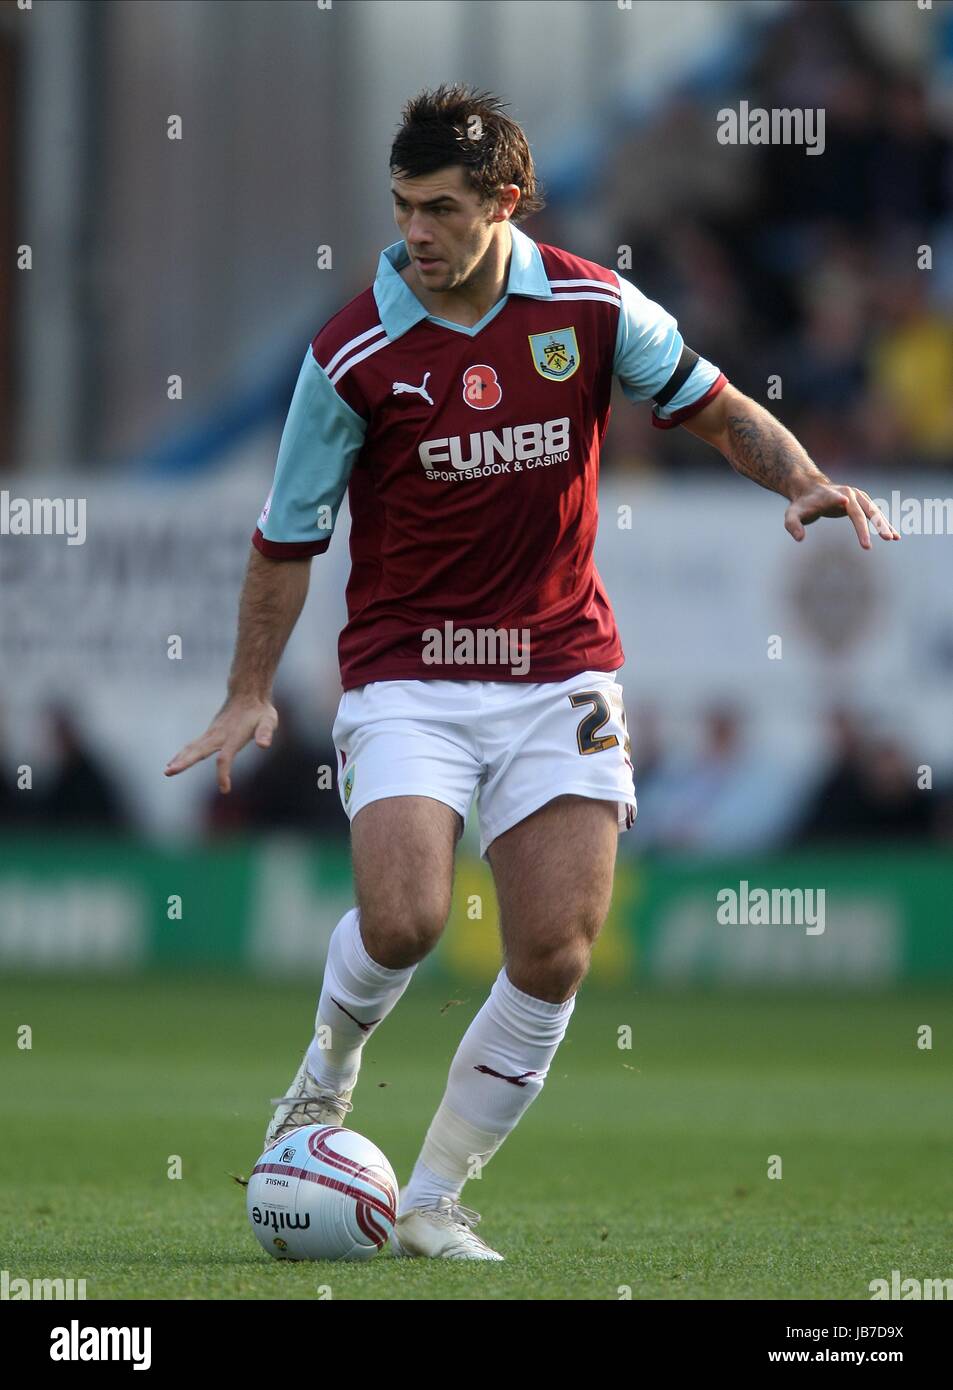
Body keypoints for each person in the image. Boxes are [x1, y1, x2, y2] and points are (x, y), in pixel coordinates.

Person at [164, 84, 898, 1261]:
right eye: (403, 207)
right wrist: (252, 687)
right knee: (401, 921)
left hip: (556, 669)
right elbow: (284, 538)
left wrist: (801, 477)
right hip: (409, 671)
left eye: (443, 209)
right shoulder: (350, 349)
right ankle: (322, 1076)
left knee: (553, 948)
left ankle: (431, 1198)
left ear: (503, 201)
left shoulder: (590, 306)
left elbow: (714, 408)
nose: (416, 233)